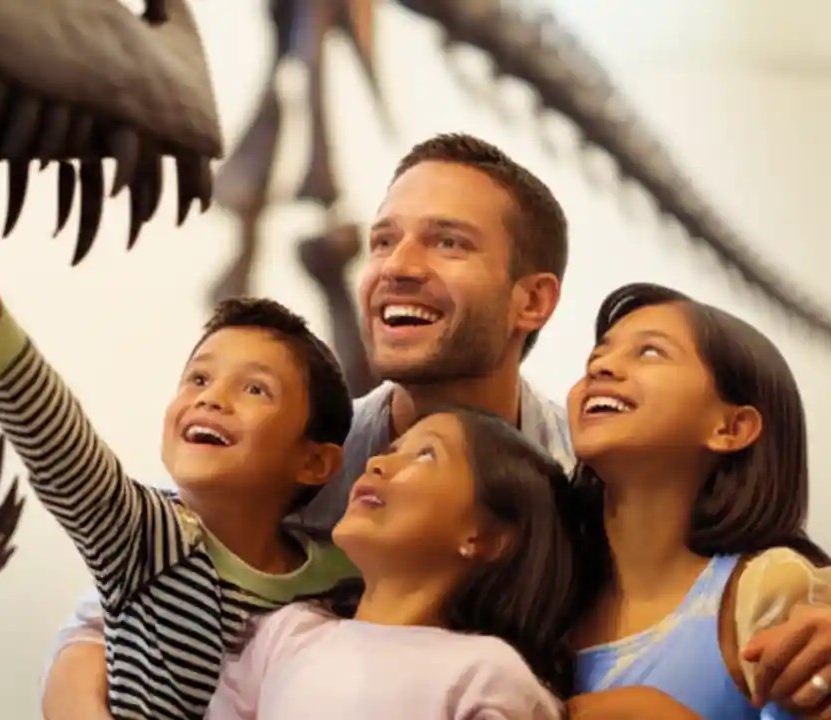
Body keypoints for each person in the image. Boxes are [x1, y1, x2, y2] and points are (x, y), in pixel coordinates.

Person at [40, 132, 576, 719]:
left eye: (448, 242)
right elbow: (115, 613)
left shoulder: (583, 479)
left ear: (533, 301)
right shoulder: (300, 456)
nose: (397, 266)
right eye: (383, 241)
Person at [0, 197, 360, 718]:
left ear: (315, 463)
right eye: (198, 378)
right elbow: (62, 451)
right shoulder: (149, 538)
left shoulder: (341, 578)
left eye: (254, 389)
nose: (210, 397)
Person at [205, 406, 576, 719]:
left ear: (485, 538)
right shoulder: (286, 633)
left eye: (426, 454)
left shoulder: (487, 674)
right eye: (391, 448)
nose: (378, 462)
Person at [566, 282, 831, 719]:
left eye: (650, 352)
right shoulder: (537, 585)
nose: (602, 368)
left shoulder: (769, 590)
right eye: (596, 357)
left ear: (731, 428)